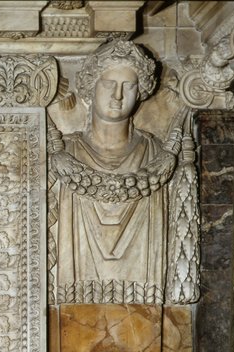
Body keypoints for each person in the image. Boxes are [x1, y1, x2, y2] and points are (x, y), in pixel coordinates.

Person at [52, 38, 175, 303]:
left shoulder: (156, 155)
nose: (118, 96)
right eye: (109, 85)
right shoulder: (66, 153)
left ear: (141, 91)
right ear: (90, 87)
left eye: (128, 87)